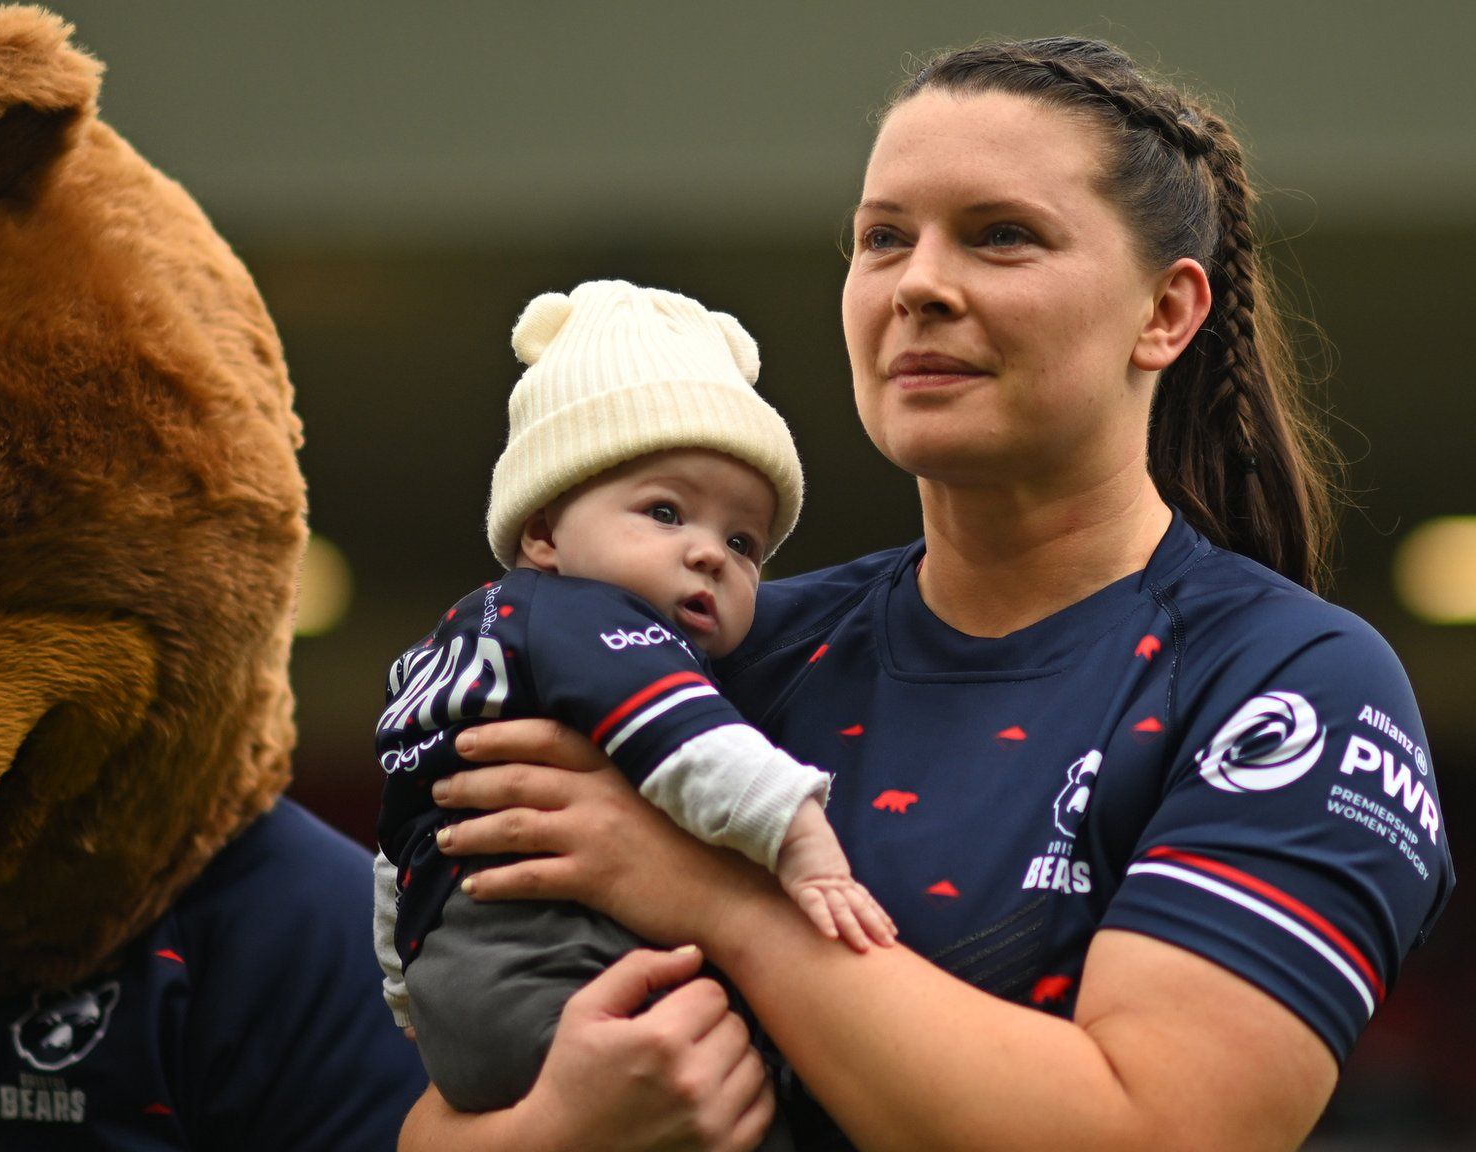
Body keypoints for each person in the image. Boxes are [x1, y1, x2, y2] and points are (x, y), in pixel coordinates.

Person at [400, 36, 1455, 1151]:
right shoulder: (706, 647)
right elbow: (435, 1110)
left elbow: (1158, 1128)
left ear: (1164, 315)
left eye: (1000, 236)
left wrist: (718, 897)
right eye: (882, 239)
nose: (918, 286)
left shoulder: (1294, 684)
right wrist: (561, 1128)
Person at [374, 280, 894, 1134]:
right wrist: (804, 846)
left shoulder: (442, 655)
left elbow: (401, 848)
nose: (708, 555)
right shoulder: (585, 619)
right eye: (664, 512)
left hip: (460, 1006)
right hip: (565, 983)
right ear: (543, 534)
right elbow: (689, 739)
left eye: (743, 543)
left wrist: (407, 988)